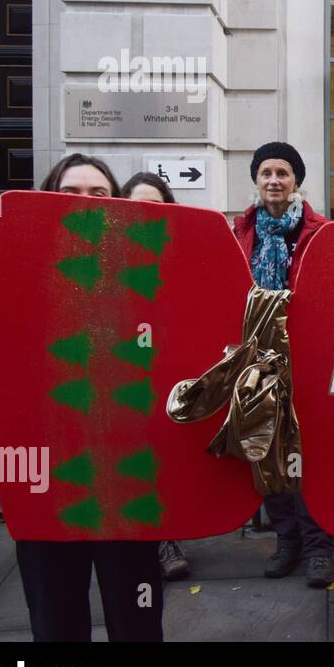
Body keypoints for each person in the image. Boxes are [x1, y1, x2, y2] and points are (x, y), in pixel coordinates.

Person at [14, 154, 165, 641]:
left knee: (136, 617)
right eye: (71, 193)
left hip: (124, 477)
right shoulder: (22, 271)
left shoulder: (144, 276)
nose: (85, 204)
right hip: (47, 480)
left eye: (98, 195)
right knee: (56, 623)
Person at [233, 142, 334, 588]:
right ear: (256, 180)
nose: (274, 180)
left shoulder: (319, 232)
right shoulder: (239, 233)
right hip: (255, 359)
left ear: (297, 181)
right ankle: (286, 540)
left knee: (308, 453)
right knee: (267, 452)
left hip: (307, 356)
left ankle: (318, 546)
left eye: (283, 173)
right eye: (266, 172)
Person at [121, 171, 191, 581]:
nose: (146, 213)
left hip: (165, 374)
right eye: (137, 205)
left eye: (156, 205)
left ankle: (164, 539)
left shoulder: (176, 253)